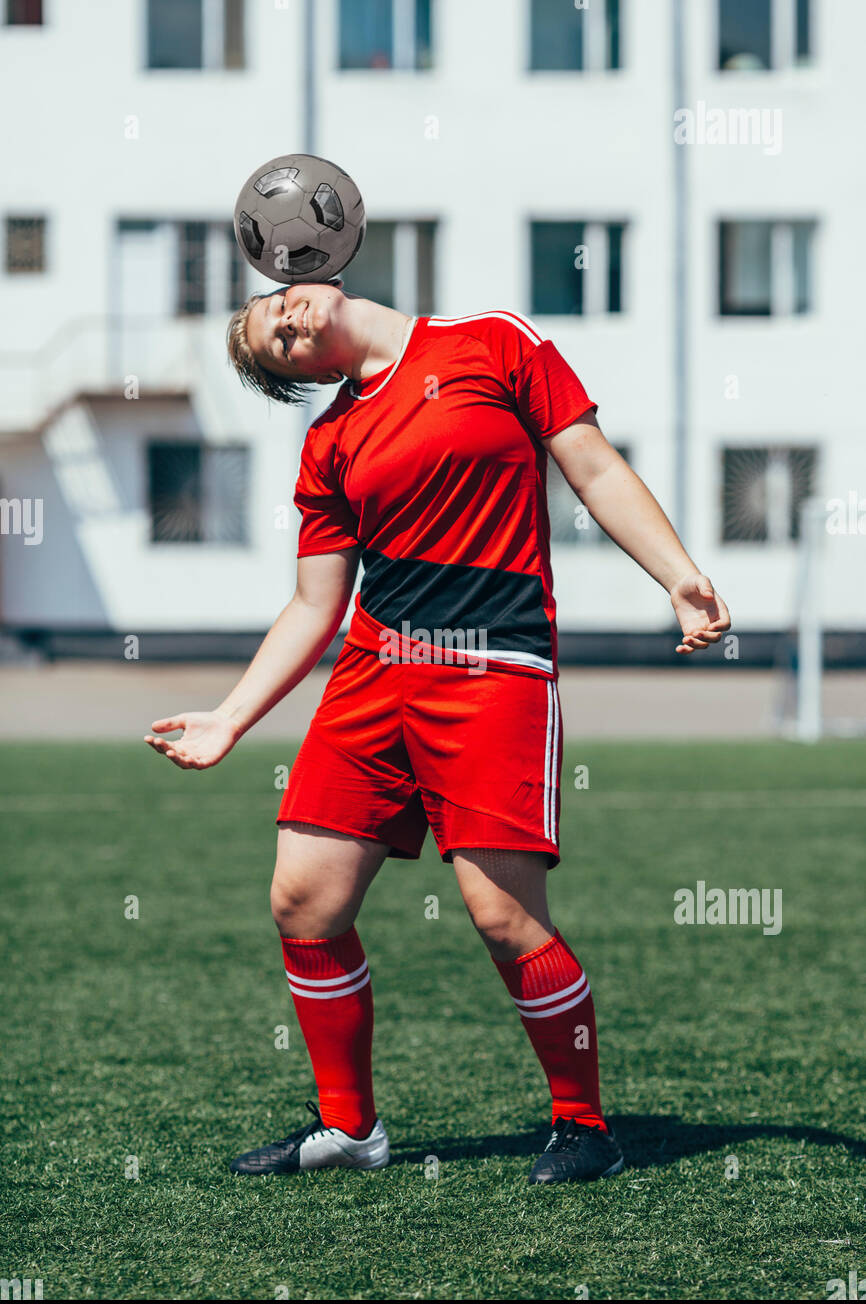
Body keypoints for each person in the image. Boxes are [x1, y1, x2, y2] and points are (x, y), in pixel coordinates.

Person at [145, 280, 731, 1184]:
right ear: (305, 375)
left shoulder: (492, 341)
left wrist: (678, 577)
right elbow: (314, 606)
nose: (290, 330)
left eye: (281, 311)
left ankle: (583, 1126)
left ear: (319, 281)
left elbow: (594, 466)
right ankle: (349, 1129)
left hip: (495, 670)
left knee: (504, 917)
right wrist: (230, 717)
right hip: (375, 674)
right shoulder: (330, 442)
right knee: (304, 901)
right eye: (280, 350)